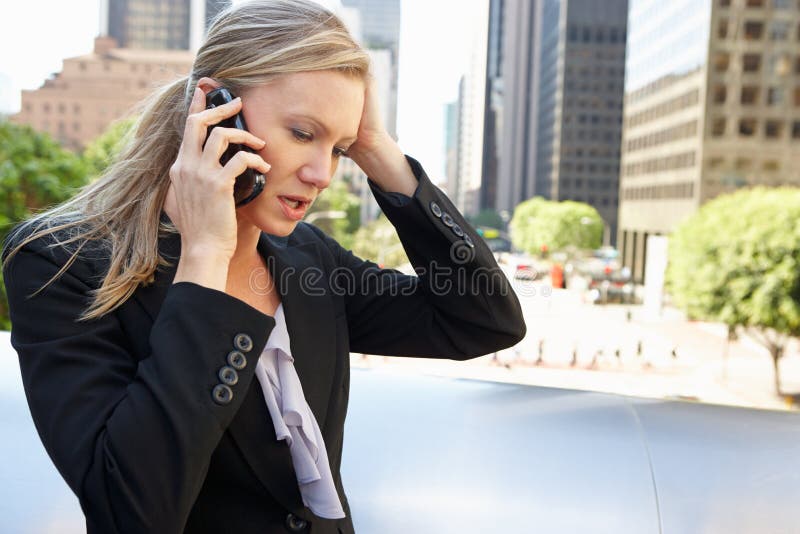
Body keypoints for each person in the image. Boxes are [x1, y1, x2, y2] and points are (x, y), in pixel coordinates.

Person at [1, 1, 526, 532]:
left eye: (338, 148)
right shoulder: (60, 264)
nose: (323, 174)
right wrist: (205, 257)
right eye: (303, 133)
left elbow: (484, 320)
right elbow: (130, 511)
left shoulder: (310, 261)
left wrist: (376, 149)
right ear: (217, 108)